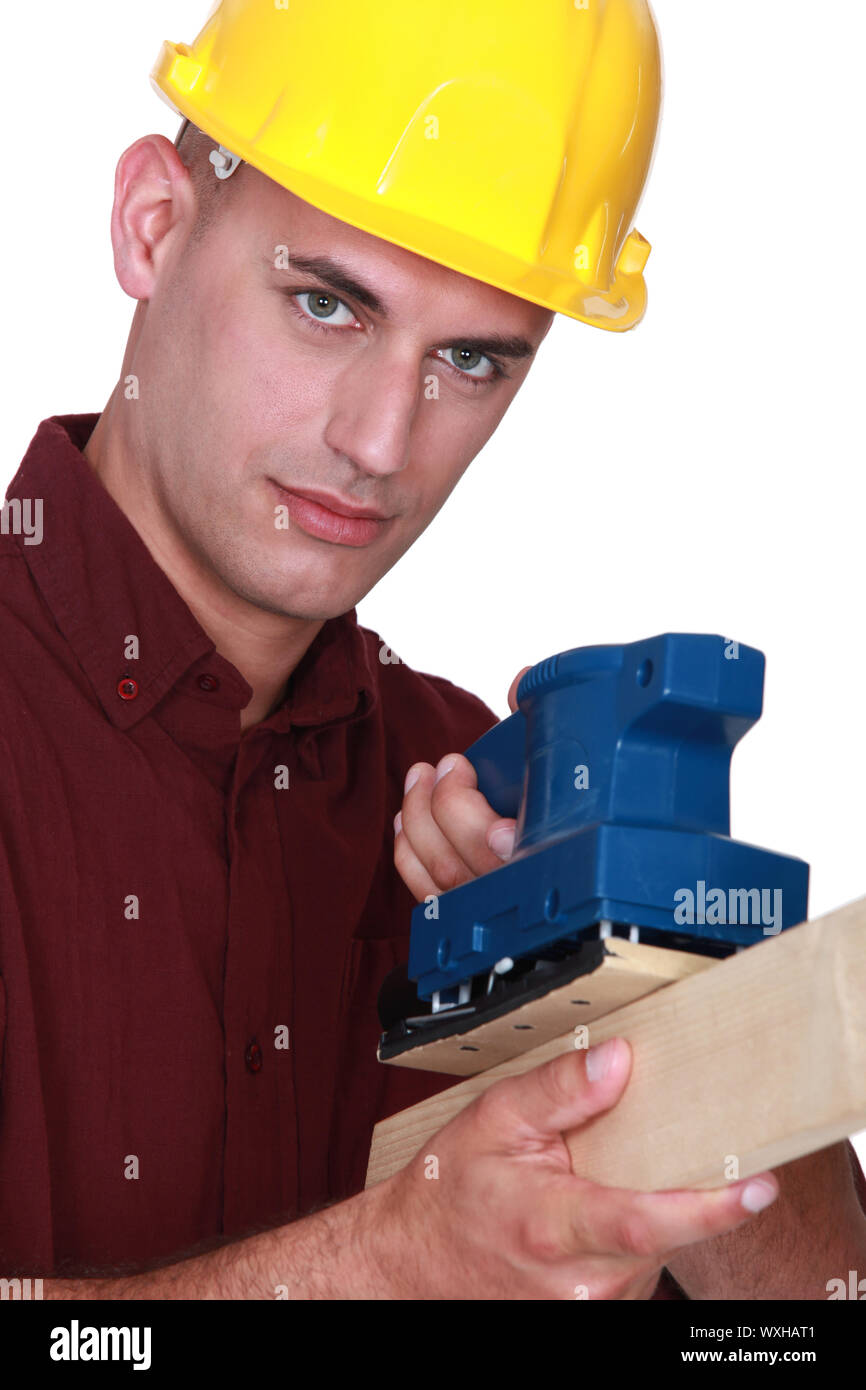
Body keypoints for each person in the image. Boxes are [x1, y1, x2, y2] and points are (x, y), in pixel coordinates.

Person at [2, 0, 863, 1300]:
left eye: (468, 359)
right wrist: (389, 1262)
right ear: (153, 224)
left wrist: (632, 980)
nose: (381, 442)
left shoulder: (472, 801)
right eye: (326, 305)